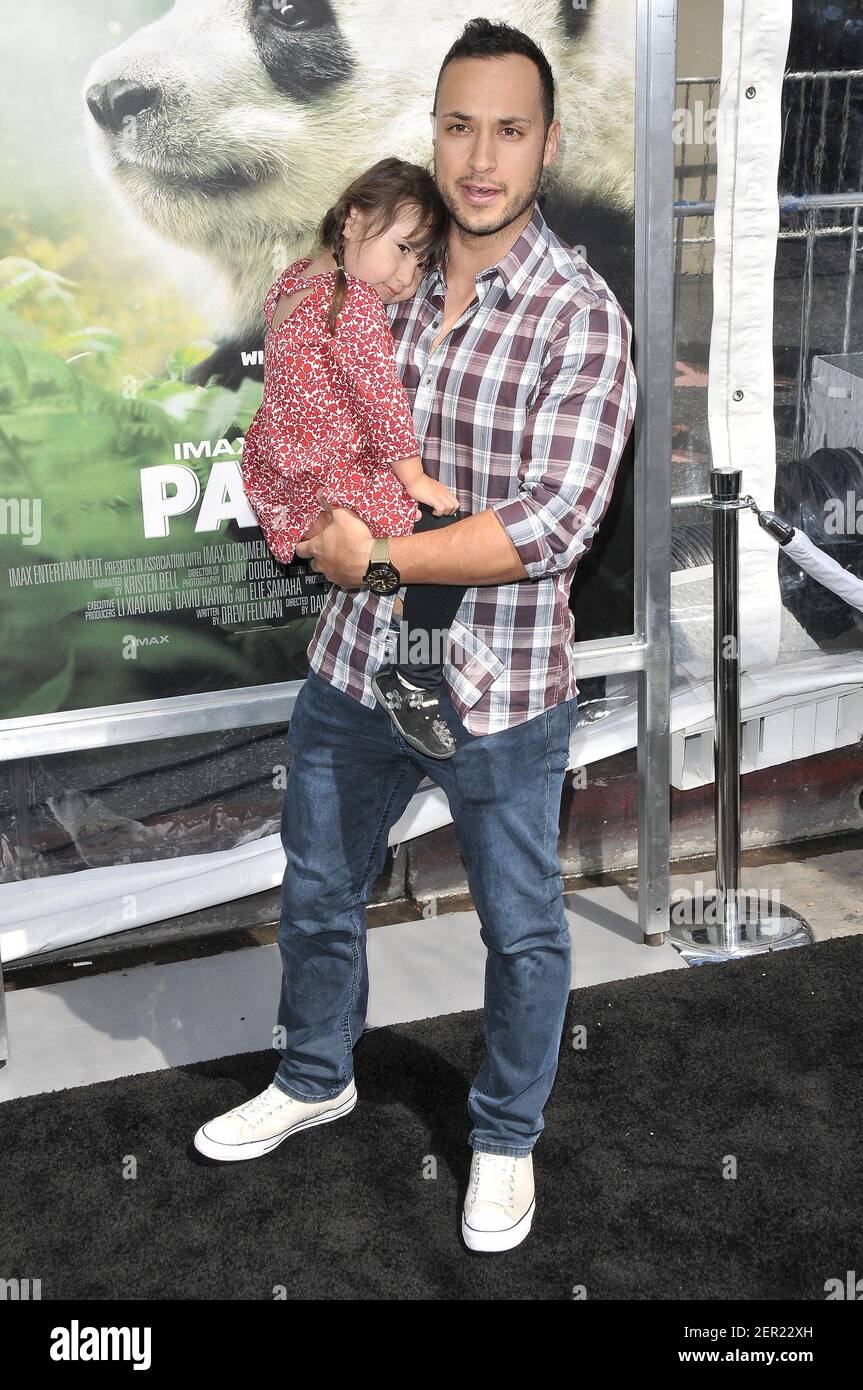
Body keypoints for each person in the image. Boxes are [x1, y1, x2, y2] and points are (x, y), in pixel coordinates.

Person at [195, 17, 637, 1256]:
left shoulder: (576, 316)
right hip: (354, 664)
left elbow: (549, 523)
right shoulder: (370, 282)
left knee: (520, 925)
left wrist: (378, 549)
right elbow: (307, 413)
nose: (478, 156)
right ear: (429, 133)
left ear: (547, 145)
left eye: (506, 129)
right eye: (456, 124)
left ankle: (501, 1134)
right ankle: (317, 1070)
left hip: (496, 688)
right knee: (319, 886)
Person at [240, 157, 468, 760]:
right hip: (333, 467)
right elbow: (378, 396)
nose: (407, 274)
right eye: (401, 248)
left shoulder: (293, 282)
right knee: (446, 541)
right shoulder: (357, 305)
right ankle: (412, 675)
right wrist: (413, 476)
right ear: (353, 218)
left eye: (423, 262)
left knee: (377, 564)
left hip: (283, 472)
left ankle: (386, 593)